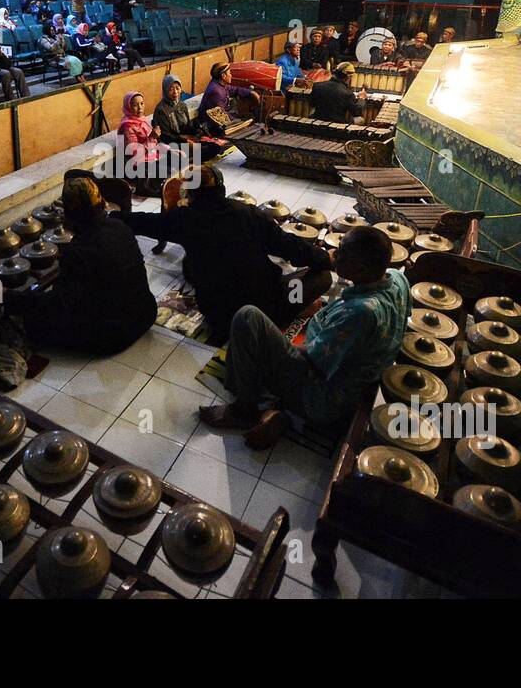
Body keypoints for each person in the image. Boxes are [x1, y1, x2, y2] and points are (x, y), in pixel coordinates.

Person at [198, 225, 411, 449]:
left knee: (247, 318)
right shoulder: (398, 278)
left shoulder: (361, 312)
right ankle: (274, 411)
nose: (334, 255)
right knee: (319, 279)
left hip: (323, 399)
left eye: (341, 253)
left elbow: (314, 360)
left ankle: (246, 410)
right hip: (359, 381)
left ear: (360, 268)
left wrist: (273, 348)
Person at [115, 165, 332, 346]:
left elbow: (143, 222)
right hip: (266, 304)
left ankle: (287, 308)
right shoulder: (247, 213)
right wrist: (325, 258)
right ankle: (293, 308)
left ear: (190, 193)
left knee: (193, 262)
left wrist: (111, 215)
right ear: (221, 189)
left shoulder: (183, 219)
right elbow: (290, 246)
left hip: (217, 314)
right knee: (322, 277)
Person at [7, 173, 157, 356]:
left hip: (114, 337)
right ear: (102, 204)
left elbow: (58, 305)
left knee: (34, 324)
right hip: (145, 314)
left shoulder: (79, 250)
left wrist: (7, 298)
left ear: (69, 215)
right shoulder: (120, 227)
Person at [154, 73, 226, 162]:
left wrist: (197, 134)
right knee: (183, 155)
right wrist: (185, 141)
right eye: (171, 89)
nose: (175, 92)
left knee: (215, 147)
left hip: (186, 139)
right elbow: (165, 136)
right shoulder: (161, 110)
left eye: (177, 88)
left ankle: (193, 156)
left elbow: (187, 126)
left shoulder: (182, 105)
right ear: (165, 90)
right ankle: (190, 158)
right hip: (171, 143)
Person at [198, 61, 258, 136]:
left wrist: (250, 92)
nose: (231, 75)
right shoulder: (216, 92)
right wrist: (239, 123)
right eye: (229, 73)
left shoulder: (219, 83)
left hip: (223, 119)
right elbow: (222, 115)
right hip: (213, 127)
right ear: (223, 76)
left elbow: (234, 90)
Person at [117, 92, 161, 193]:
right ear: (128, 107)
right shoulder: (127, 126)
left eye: (142, 103)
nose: (140, 108)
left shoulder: (142, 120)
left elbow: (153, 144)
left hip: (150, 157)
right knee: (166, 174)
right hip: (137, 164)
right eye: (135, 105)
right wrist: (151, 137)